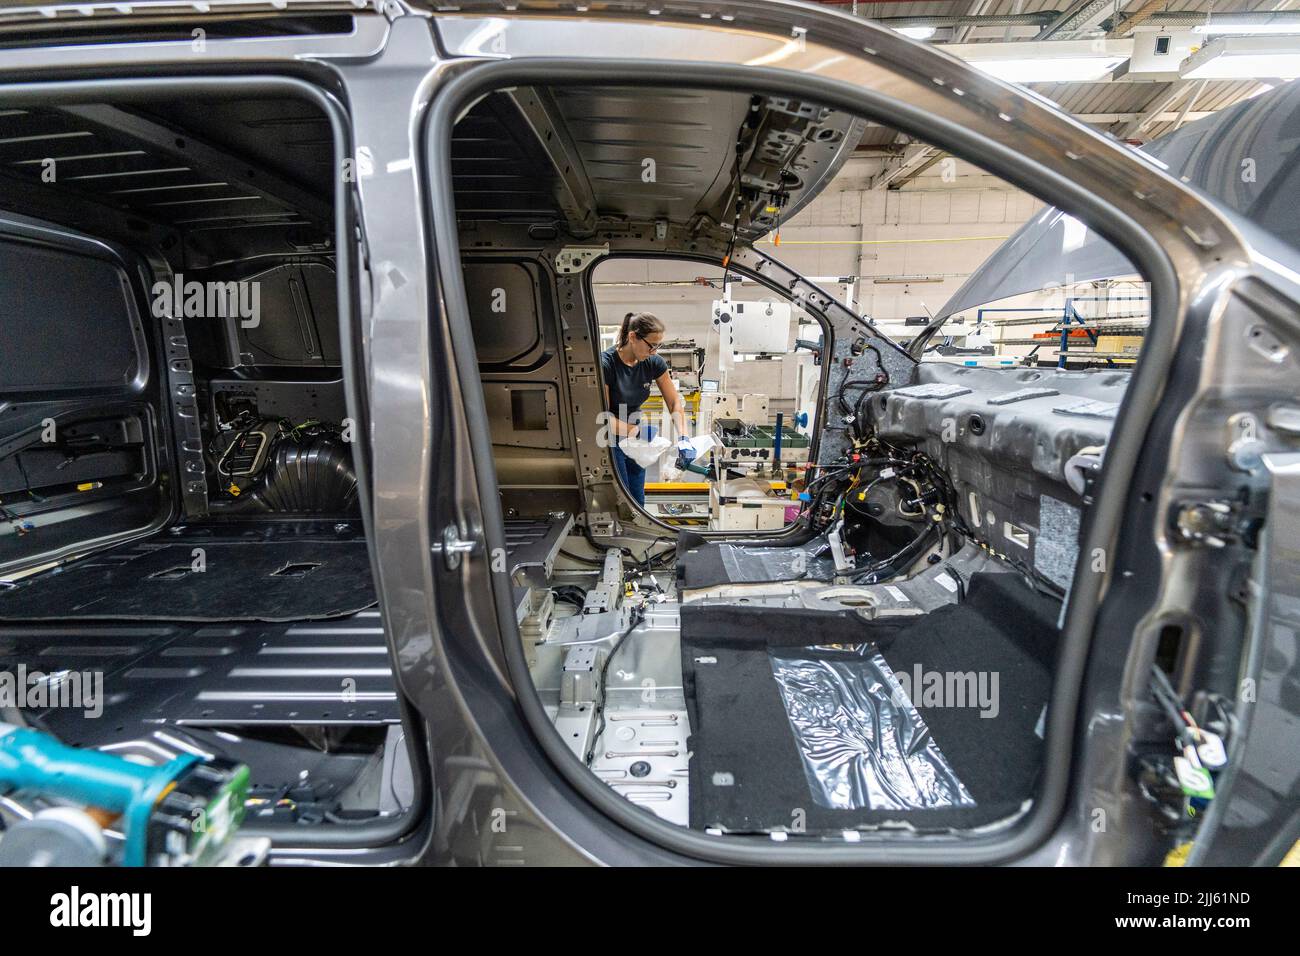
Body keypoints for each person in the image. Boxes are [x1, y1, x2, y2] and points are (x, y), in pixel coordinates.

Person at [601, 312, 688, 507]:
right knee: (622, 500)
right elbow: (603, 417)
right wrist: (637, 431)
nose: (655, 351)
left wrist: (684, 437)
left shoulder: (653, 363)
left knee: (638, 500)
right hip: (610, 437)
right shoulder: (606, 364)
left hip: (635, 438)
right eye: (651, 345)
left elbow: (674, 402)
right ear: (632, 337)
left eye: (659, 345)